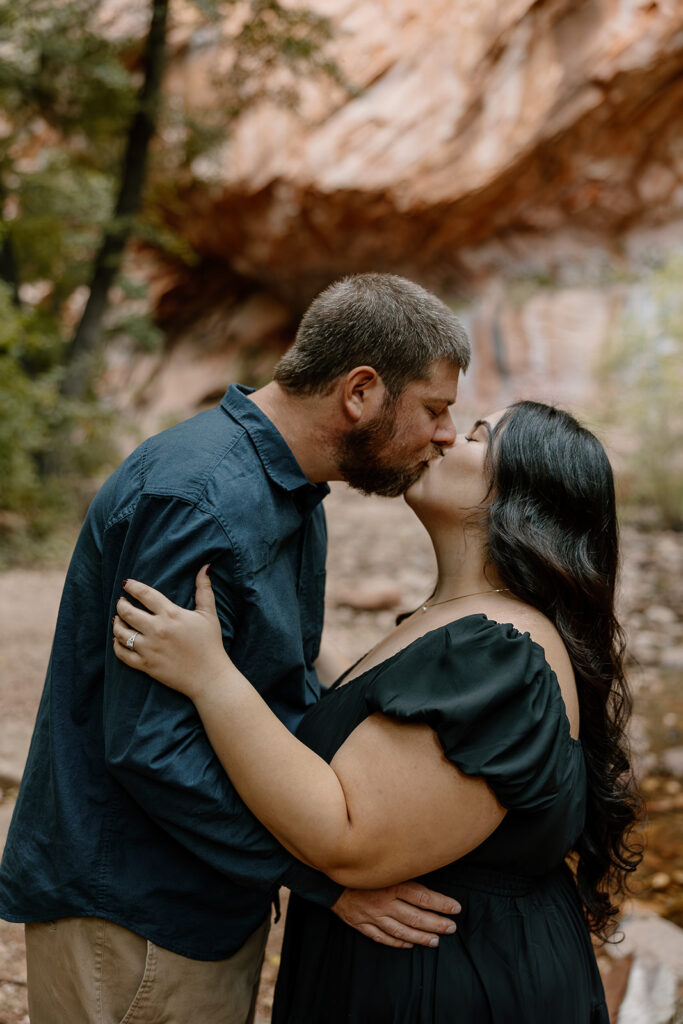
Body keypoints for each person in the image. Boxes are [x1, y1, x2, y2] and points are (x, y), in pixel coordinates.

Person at [0, 273, 473, 1024]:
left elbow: (280, 690)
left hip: (206, 896)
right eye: (435, 409)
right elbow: (149, 744)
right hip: (135, 913)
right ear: (359, 392)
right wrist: (326, 878)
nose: (446, 435)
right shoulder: (197, 499)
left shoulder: (291, 491)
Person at [112, 401, 642, 1023]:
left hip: (455, 982)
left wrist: (210, 679)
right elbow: (363, 717)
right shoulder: (453, 621)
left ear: (526, 494)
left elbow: (346, 838)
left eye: (478, 434)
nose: (445, 435)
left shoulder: (500, 656)